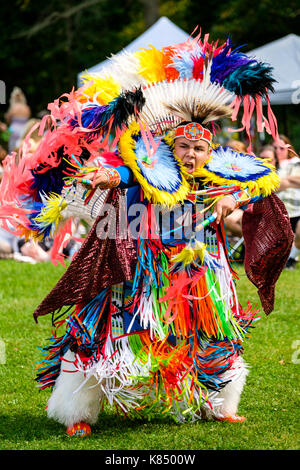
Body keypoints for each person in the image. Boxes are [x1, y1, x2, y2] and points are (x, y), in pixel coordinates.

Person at [0, 33, 293, 437]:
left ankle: (217, 403)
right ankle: (77, 412)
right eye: (183, 146)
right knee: (113, 333)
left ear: (211, 151)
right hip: (143, 268)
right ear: (170, 148)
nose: (190, 155)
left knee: (213, 335)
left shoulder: (221, 171)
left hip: (201, 271)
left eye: (199, 148)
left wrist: (235, 201)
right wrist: (107, 176)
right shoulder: (151, 170)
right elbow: (125, 174)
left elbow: (258, 182)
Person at [275, 136, 300, 269]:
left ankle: (291, 258)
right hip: (276, 213)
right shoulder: (273, 166)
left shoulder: (296, 162)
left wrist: (286, 182)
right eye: (275, 148)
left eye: (281, 148)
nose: (277, 151)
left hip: (296, 210)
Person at [4, 87, 31, 153]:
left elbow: (8, 119)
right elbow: (29, 118)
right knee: (22, 149)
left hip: (14, 129)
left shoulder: (13, 107)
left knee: (13, 150)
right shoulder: (26, 108)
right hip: (24, 129)